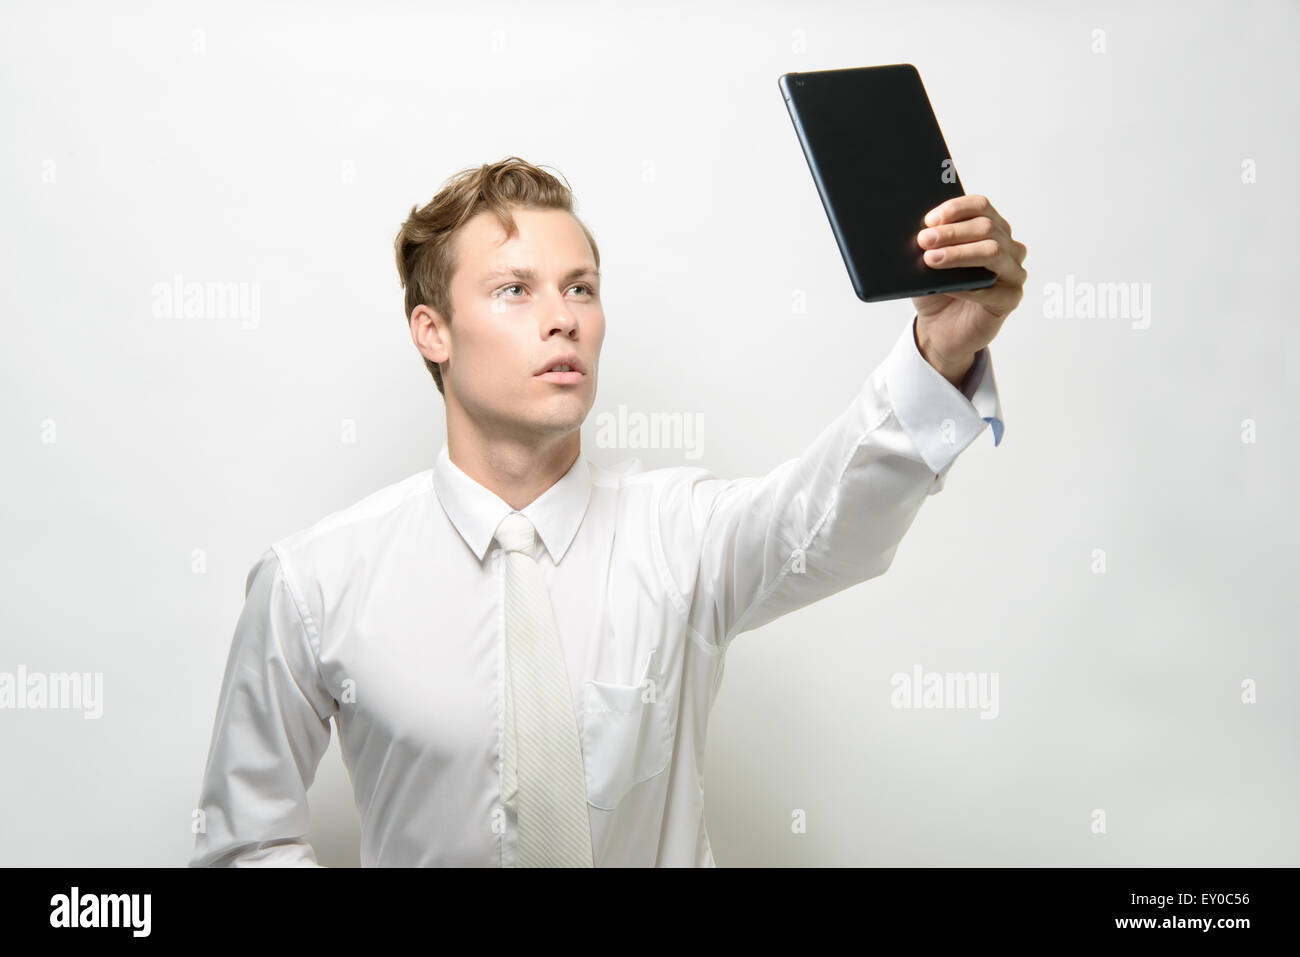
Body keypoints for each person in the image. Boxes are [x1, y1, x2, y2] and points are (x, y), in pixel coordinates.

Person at [188, 155, 1026, 867]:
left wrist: (940, 351)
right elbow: (243, 843)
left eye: (580, 287)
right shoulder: (314, 581)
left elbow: (829, 516)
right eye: (515, 289)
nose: (563, 320)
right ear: (431, 330)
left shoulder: (683, 537)